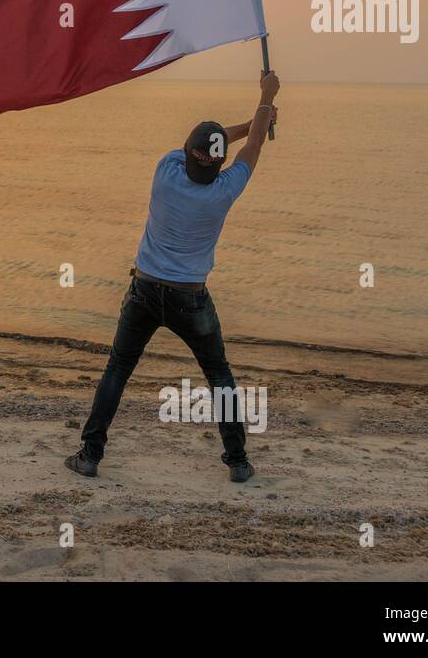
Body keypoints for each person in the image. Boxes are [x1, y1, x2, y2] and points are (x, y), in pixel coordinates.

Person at [66, 71, 281, 483]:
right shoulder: (225, 189)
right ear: (217, 162)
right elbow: (251, 147)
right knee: (219, 375)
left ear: (187, 153)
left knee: (118, 369)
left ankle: (90, 455)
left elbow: (210, 146)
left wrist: (259, 115)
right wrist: (265, 103)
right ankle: (237, 462)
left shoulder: (165, 170)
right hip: (190, 298)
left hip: (144, 290)